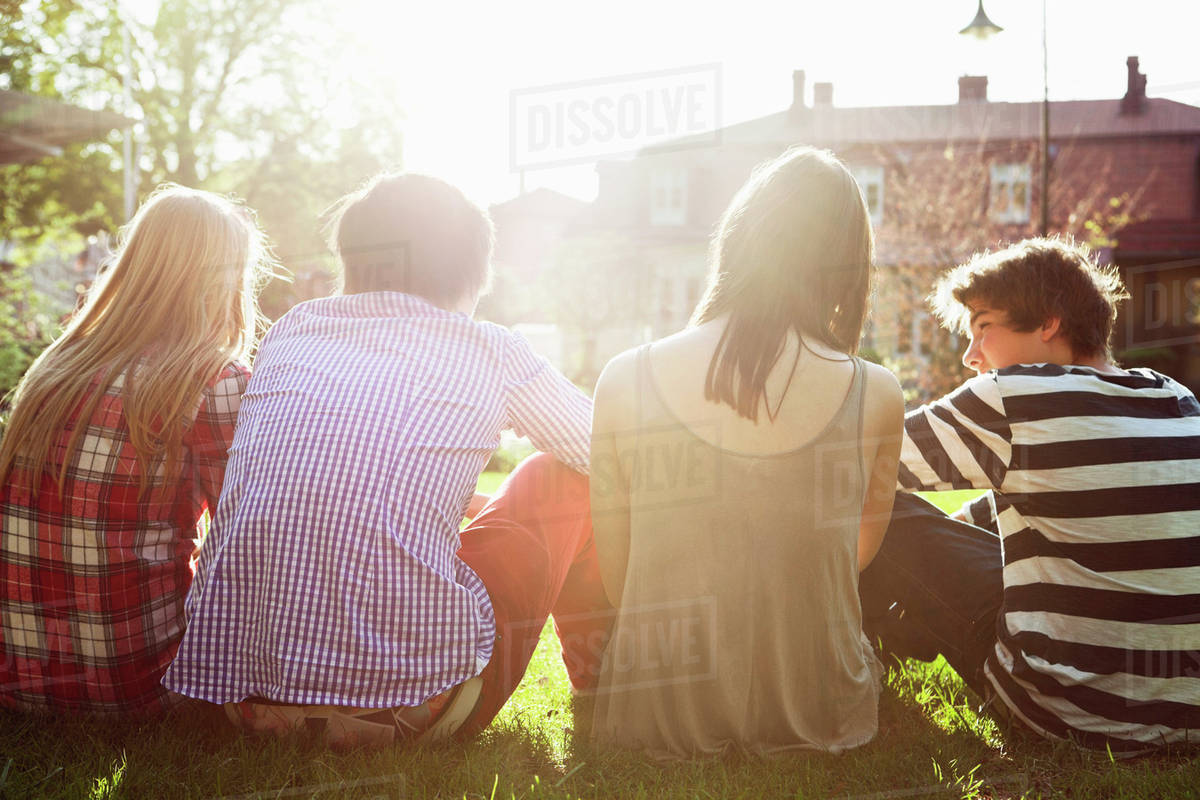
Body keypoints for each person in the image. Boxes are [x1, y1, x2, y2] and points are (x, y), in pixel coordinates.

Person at [163, 173, 612, 748]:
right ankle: (605, 687)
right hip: (406, 711)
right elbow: (608, 452)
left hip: (241, 705)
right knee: (561, 479)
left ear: (351, 264)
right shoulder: (489, 347)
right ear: (473, 274)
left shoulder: (293, 331)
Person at [587, 146, 905, 759]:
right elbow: (856, 555)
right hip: (818, 704)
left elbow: (616, 574)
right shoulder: (877, 393)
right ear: (846, 266)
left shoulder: (624, 378)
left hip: (659, 708)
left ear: (736, 240)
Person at [859, 237, 1200, 753]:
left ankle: (858, 654)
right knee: (987, 519)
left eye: (983, 328)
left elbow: (860, 465)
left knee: (889, 510)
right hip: (1186, 710)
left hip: (1070, 708)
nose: (972, 357)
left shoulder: (1015, 397)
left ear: (1048, 321)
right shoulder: (1176, 399)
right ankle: (906, 633)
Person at [0, 185, 274, 716]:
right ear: (225, 277)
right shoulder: (212, 379)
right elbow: (248, 547)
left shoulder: (58, 366)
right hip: (138, 685)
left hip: (17, 679)